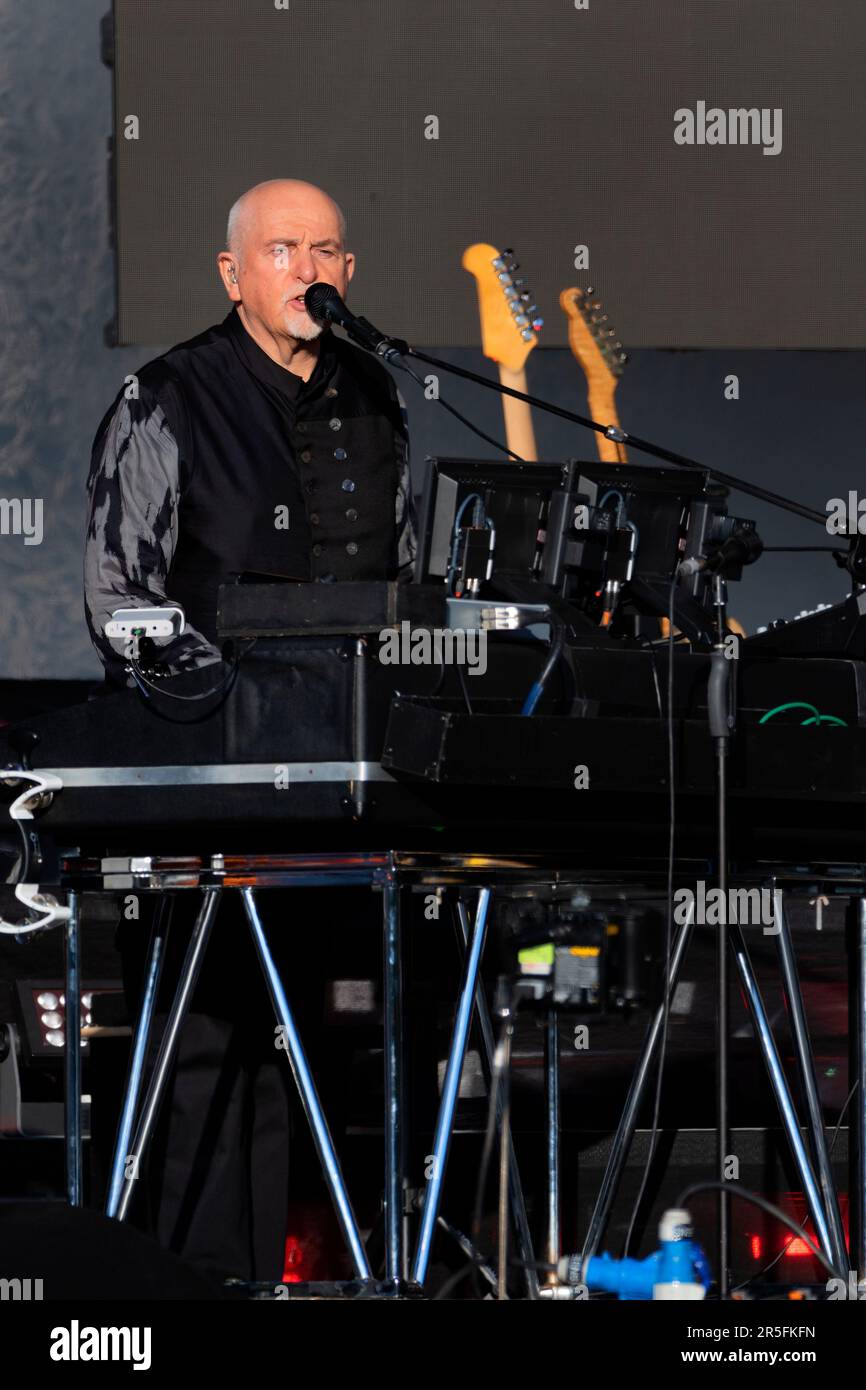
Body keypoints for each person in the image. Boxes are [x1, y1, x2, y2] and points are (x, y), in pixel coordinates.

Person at [83, 180, 416, 1282]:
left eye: (325, 249)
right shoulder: (169, 395)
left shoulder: (376, 394)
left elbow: (397, 584)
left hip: (350, 795)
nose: (306, 269)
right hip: (210, 789)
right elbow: (121, 601)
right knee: (210, 1053)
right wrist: (230, 705)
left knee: (342, 1054)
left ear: (348, 271)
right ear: (233, 274)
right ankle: (186, 1291)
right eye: (281, 249)